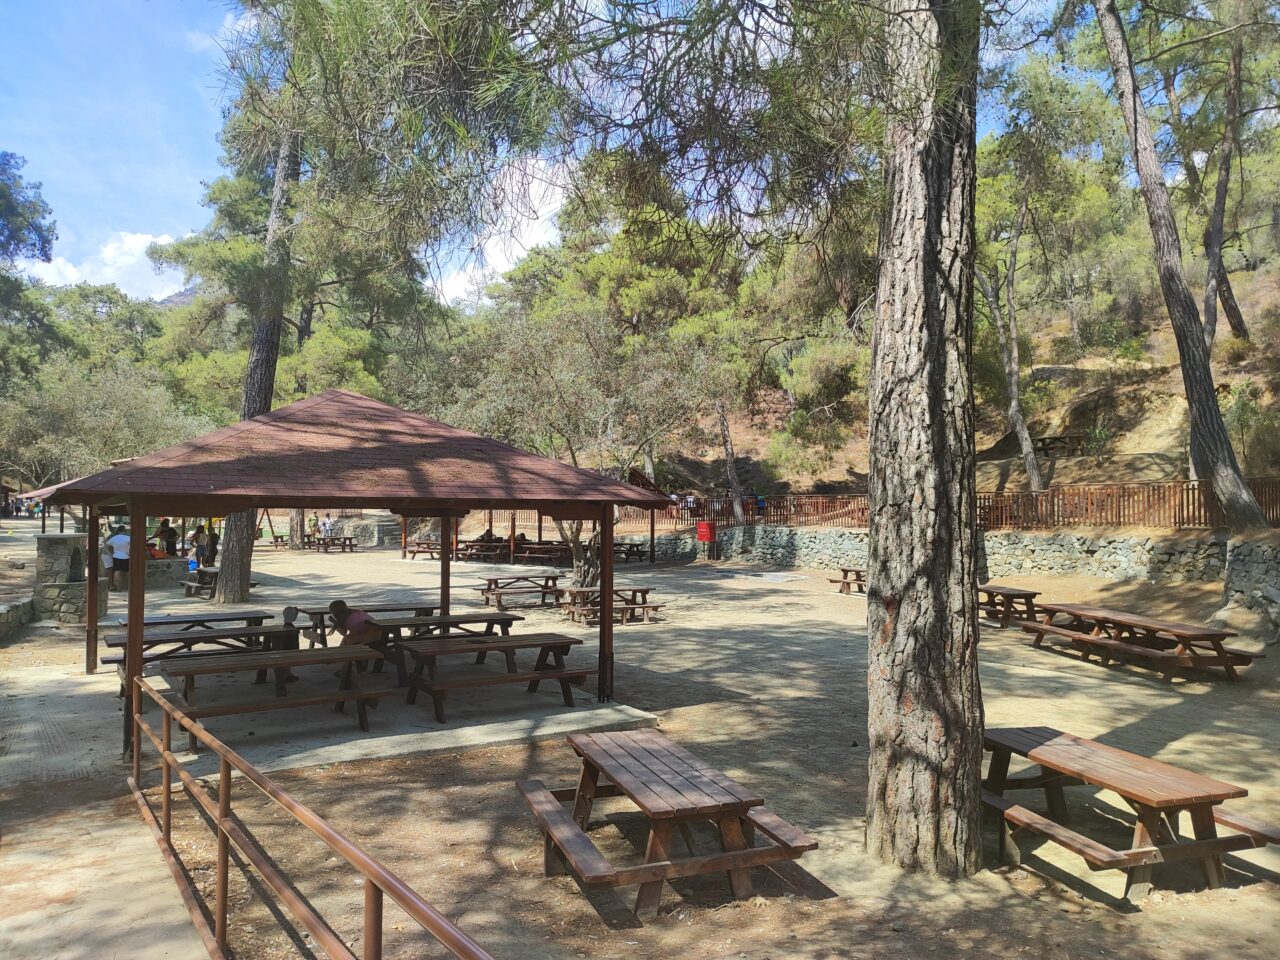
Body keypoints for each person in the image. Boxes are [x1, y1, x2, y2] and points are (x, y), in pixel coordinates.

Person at [105, 524, 131, 591]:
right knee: (127, 571)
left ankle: (117, 586)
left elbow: (106, 545)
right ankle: (130, 585)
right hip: (126, 556)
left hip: (116, 556)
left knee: (116, 571)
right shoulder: (128, 538)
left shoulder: (114, 538)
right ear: (124, 531)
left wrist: (110, 553)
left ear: (118, 531)